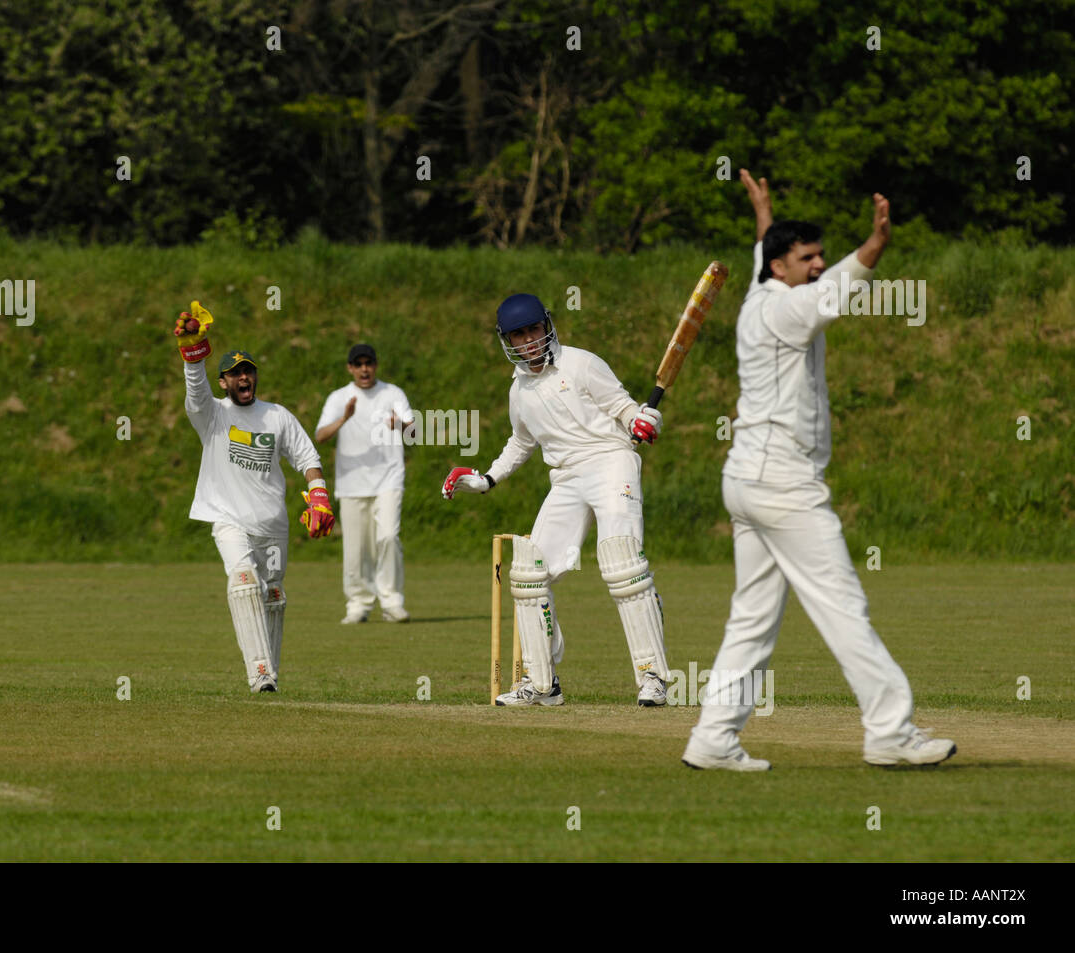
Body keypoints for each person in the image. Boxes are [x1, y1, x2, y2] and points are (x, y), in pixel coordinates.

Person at [681, 170, 957, 770]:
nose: (817, 264)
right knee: (843, 606)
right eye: (806, 257)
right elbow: (830, 293)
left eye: (820, 255)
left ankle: (712, 739)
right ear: (782, 268)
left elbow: (772, 256)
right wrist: (875, 247)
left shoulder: (761, 290)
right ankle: (889, 731)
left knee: (752, 618)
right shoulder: (785, 310)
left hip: (748, 480)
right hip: (782, 484)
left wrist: (765, 215)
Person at [442, 295, 669, 707]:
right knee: (528, 571)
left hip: (611, 461)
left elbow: (621, 406)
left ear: (546, 325)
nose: (528, 341)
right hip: (566, 478)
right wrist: (486, 479)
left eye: (533, 330)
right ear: (506, 340)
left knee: (621, 563)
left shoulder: (582, 363)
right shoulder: (520, 392)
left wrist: (640, 417)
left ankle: (652, 677)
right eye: (518, 334)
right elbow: (521, 442)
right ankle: (542, 684)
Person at [173, 307, 334, 693]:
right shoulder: (212, 414)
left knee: (273, 595)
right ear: (224, 382)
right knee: (243, 581)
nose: (243, 377)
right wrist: (194, 353)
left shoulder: (277, 416)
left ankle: (270, 678)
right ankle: (259, 671)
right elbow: (195, 393)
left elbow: (308, 458)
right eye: (234, 373)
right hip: (229, 520)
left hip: (273, 525)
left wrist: (319, 497)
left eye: (248, 371)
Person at [316, 344, 415, 624]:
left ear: (376, 365)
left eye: (368, 363)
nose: (364, 369)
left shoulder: (393, 393)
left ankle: (392, 600)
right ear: (350, 368)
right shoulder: (339, 398)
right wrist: (345, 418)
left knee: (388, 537)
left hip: (389, 479)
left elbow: (415, 432)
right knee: (356, 548)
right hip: (351, 482)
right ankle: (358, 603)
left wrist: (401, 426)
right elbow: (321, 435)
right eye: (358, 364)